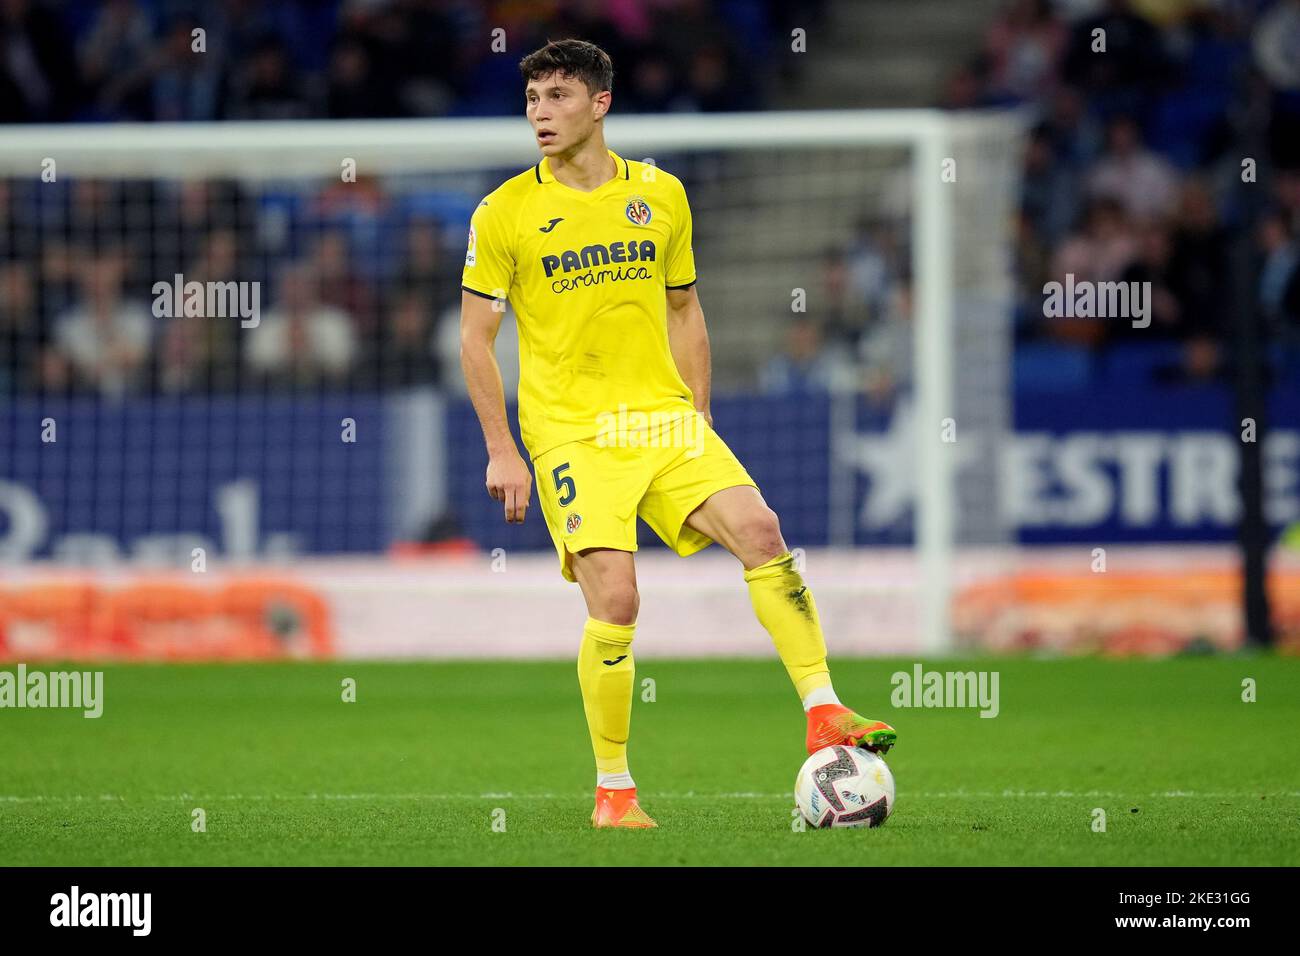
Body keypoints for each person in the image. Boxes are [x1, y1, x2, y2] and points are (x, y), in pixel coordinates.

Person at [459, 39, 897, 830]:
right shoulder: (503, 213)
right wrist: (501, 447)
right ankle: (614, 791)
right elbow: (473, 338)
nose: (540, 114)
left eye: (558, 96)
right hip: (571, 434)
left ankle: (824, 710)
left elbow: (686, 308)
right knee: (618, 599)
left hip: (663, 419)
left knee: (762, 530)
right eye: (532, 99)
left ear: (600, 105)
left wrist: (696, 413)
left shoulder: (660, 195)